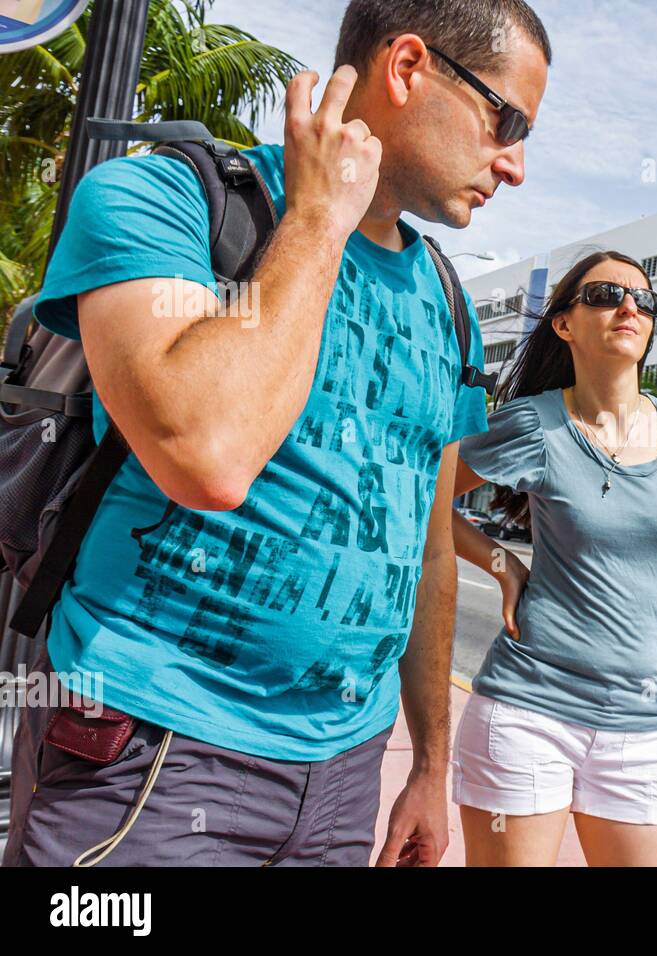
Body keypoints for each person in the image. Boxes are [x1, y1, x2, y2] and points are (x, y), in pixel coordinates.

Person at [4, 0, 551, 868]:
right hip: (153, 750)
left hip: (345, 770)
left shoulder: (448, 304)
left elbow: (429, 551)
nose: (515, 165)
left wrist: (429, 768)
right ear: (408, 68)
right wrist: (317, 221)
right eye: (508, 119)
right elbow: (205, 454)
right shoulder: (169, 199)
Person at [449, 251, 657, 867]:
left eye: (644, 299)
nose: (630, 307)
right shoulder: (537, 425)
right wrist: (502, 565)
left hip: (641, 722)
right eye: (607, 294)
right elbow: (426, 492)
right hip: (528, 710)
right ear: (565, 323)